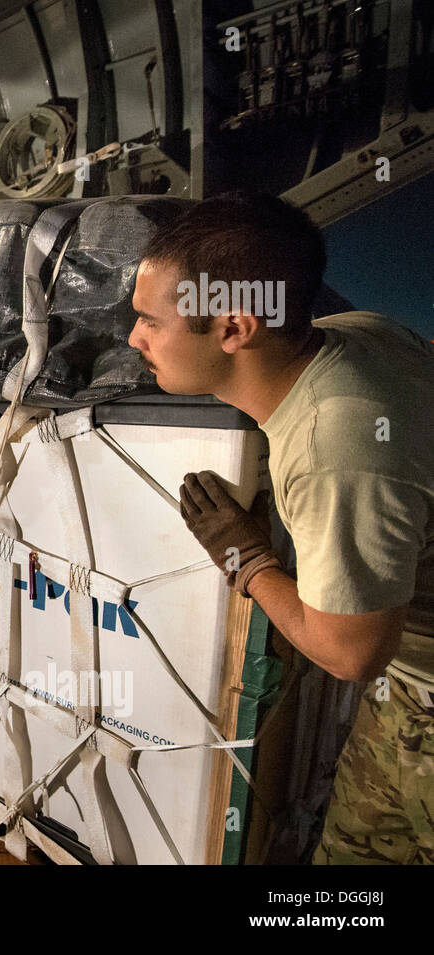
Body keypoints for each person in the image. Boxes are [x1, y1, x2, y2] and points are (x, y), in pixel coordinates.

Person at [128, 193, 434, 864]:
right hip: (409, 694)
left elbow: (351, 653)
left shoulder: (338, 445)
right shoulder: (363, 331)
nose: (134, 339)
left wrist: (248, 560)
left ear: (235, 328)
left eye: (151, 320)